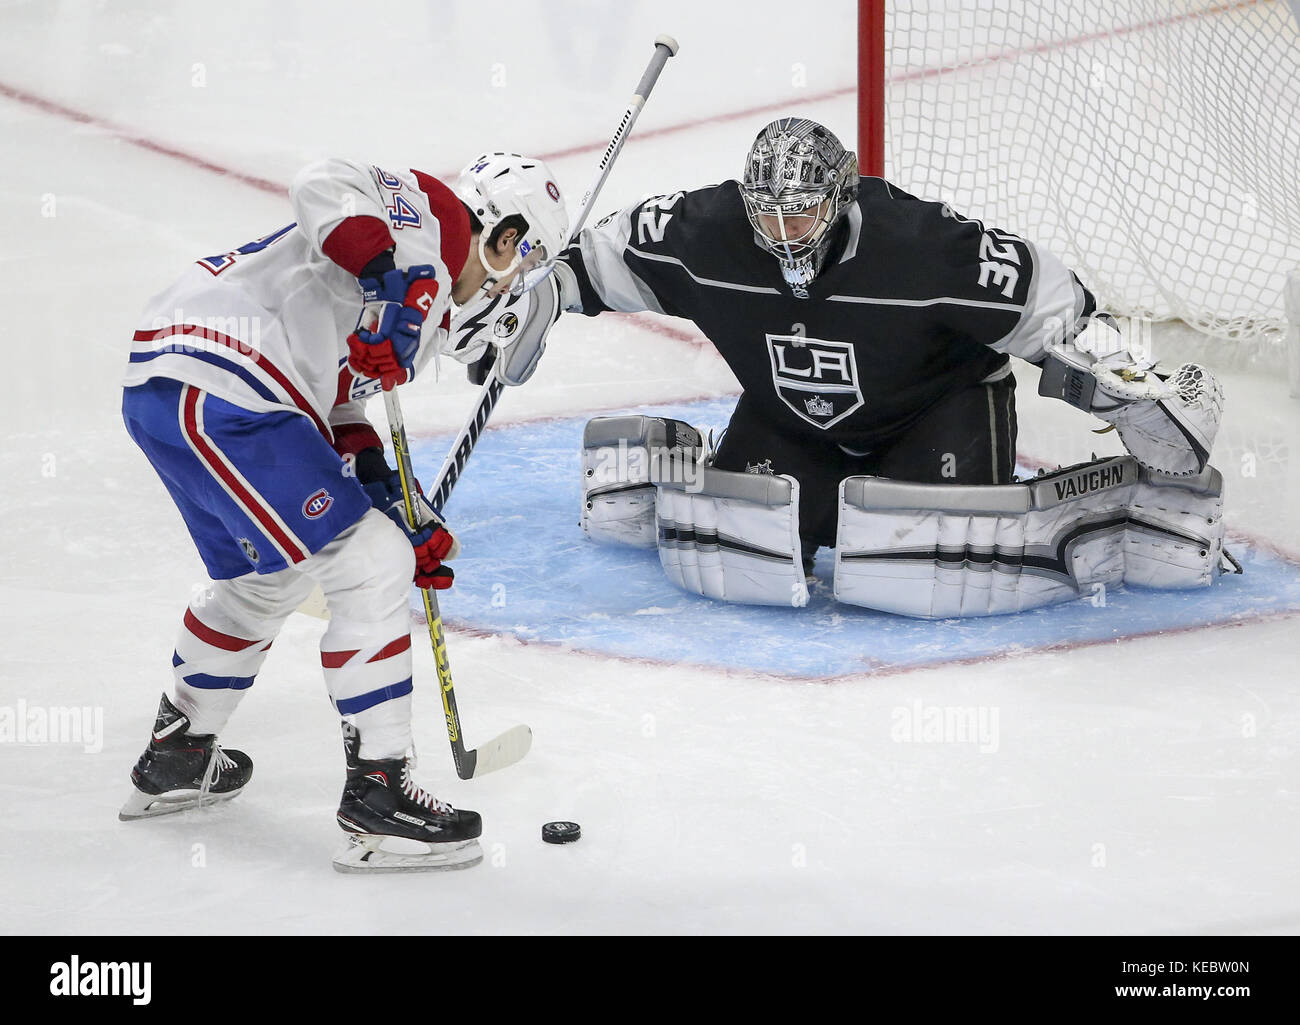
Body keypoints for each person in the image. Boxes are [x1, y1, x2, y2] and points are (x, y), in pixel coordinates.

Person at [455, 117, 1223, 616]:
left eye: (802, 213)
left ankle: (1090, 518)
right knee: (747, 547)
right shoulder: (709, 231)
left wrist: (1117, 380)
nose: (784, 233)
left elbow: (1046, 297)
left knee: (928, 565)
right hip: (793, 420)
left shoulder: (921, 245)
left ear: (842, 195)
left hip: (934, 410)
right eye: (768, 213)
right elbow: (596, 261)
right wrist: (542, 293)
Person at [119, 152, 568, 870]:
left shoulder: (421, 291)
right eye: (521, 261)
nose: (507, 284)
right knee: (370, 564)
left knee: (270, 579)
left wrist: (391, 498)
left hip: (181, 385)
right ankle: (380, 795)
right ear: (506, 238)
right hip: (227, 380)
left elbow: (338, 411)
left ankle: (179, 752)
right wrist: (393, 279)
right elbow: (319, 180)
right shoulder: (432, 220)